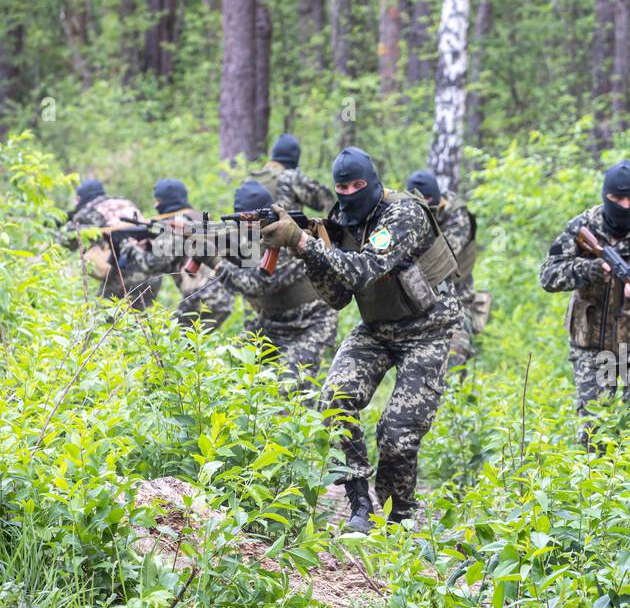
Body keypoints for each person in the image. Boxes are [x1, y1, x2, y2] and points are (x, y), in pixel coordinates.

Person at [257, 147, 461, 532]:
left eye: (358, 184)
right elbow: (337, 297)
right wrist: (310, 250)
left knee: (398, 434)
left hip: (426, 330)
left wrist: (302, 242)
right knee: (334, 402)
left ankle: (398, 518)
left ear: (373, 181)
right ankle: (359, 505)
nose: (350, 192)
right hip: (378, 327)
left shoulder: (403, 213)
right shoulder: (341, 219)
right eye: (342, 186)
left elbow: (366, 268)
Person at [539, 160, 630, 441]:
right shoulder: (582, 226)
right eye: (617, 198)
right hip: (591, 343)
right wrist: (588, 270)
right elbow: (548, 276)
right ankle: (597, 484)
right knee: (594, 428)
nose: (625, 206)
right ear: (606, 195)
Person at [193, 181, 337, 390]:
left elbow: (258, 284)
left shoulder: (284, 235)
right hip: (270, 322)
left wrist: (215, 261)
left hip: (309, 323)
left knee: (289, 390)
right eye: (242, 221)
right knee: (229, 374)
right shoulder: (241, 238)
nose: (248, 228)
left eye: (253, 221)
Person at [117, 177, 235, 329]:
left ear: (167, 201)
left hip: (203, 296)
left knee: (169, 344)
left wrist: (130, 247)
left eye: (158, 200)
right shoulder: (199, 218)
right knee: (189, 346)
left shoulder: (175, 226)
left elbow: (152, 264)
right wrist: (150, 245)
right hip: (224, 296)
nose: (155, 205)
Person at [406, 169, 482, 370]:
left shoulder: (457, 216)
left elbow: (442, 258)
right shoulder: (409, 212)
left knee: (452, 364)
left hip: (458, 300)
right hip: (423, 302)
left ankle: (455, 399)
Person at [62, 178, 158, 309]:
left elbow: (64, 244)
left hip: (125, 272)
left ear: (83, 197)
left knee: (104, 320)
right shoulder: (124, 203)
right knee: (138, 321)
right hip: (152, 271)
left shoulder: (88, 212)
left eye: (77, 199)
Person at [250, 134, 335, 213]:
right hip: (284, 229)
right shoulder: (291, 177)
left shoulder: (252, 180)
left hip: (252, 229)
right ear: (295, 156)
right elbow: (325, 200)